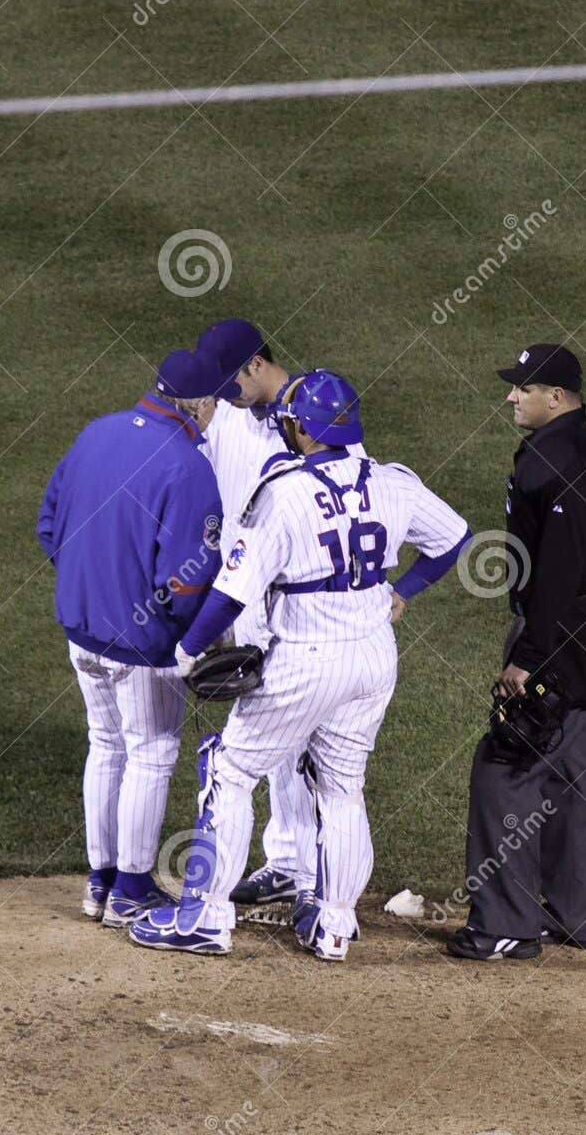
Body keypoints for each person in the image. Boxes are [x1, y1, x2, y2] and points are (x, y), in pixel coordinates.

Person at [128, 370, 470, 960]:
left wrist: (186, 654)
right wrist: (403, 590)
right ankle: (334, 927)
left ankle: (204, 918)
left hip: (307, 658)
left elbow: (232, 594)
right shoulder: (392, 483)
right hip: (372, 658)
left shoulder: (282, 493)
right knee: (342, 788)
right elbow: (454, 538)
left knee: (229, 772)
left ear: (301, 428)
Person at [449, 343, 586, 962]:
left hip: (564, 624)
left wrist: (529, 654)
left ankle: (504, 923)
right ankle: (579, 915)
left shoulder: (556, 459)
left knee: (507, 764)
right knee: (578, 767)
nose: (510, 397)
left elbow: (557, 567)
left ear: (557, 396)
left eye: (522, 388)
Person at [36, 349, 222, 928]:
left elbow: (49, 526)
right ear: (195, 403)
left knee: (106, 743)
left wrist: (92, 586)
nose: (216, 412)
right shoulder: (187, 465)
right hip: (144, 645)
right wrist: (194, 638)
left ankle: (99, 883)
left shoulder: (97, 433)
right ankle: (132, 891)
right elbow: (189, 577)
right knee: (151, 752)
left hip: (80, 631)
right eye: (215, 402)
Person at [193, 317, 366, 908]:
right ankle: (289, 860)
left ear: (254, 366)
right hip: (248, 597)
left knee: (311, 751)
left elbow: (347, 502)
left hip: (303, 610)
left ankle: (315, 879)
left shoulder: (323, 412)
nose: (221, 396)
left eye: (228, 383)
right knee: (276, 748)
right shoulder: (231, 419)